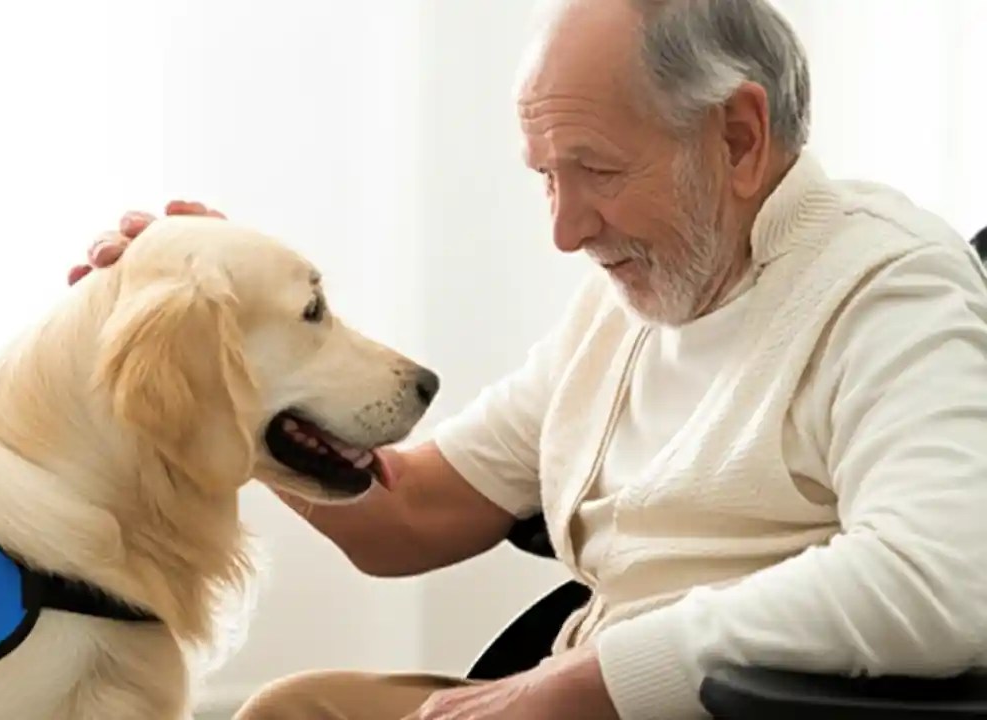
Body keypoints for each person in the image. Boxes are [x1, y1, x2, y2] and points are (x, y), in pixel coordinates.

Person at [69, 0, 987, 717]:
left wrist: (600, 683)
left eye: (597, 170)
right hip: (583, 686)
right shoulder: (632, 301)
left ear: (739, 138)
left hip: (708, 707)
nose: (565, 228)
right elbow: (414, 512)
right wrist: (235, 371)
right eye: (547, 174)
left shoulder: (891, 286)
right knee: (293, 710)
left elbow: (944, 577)